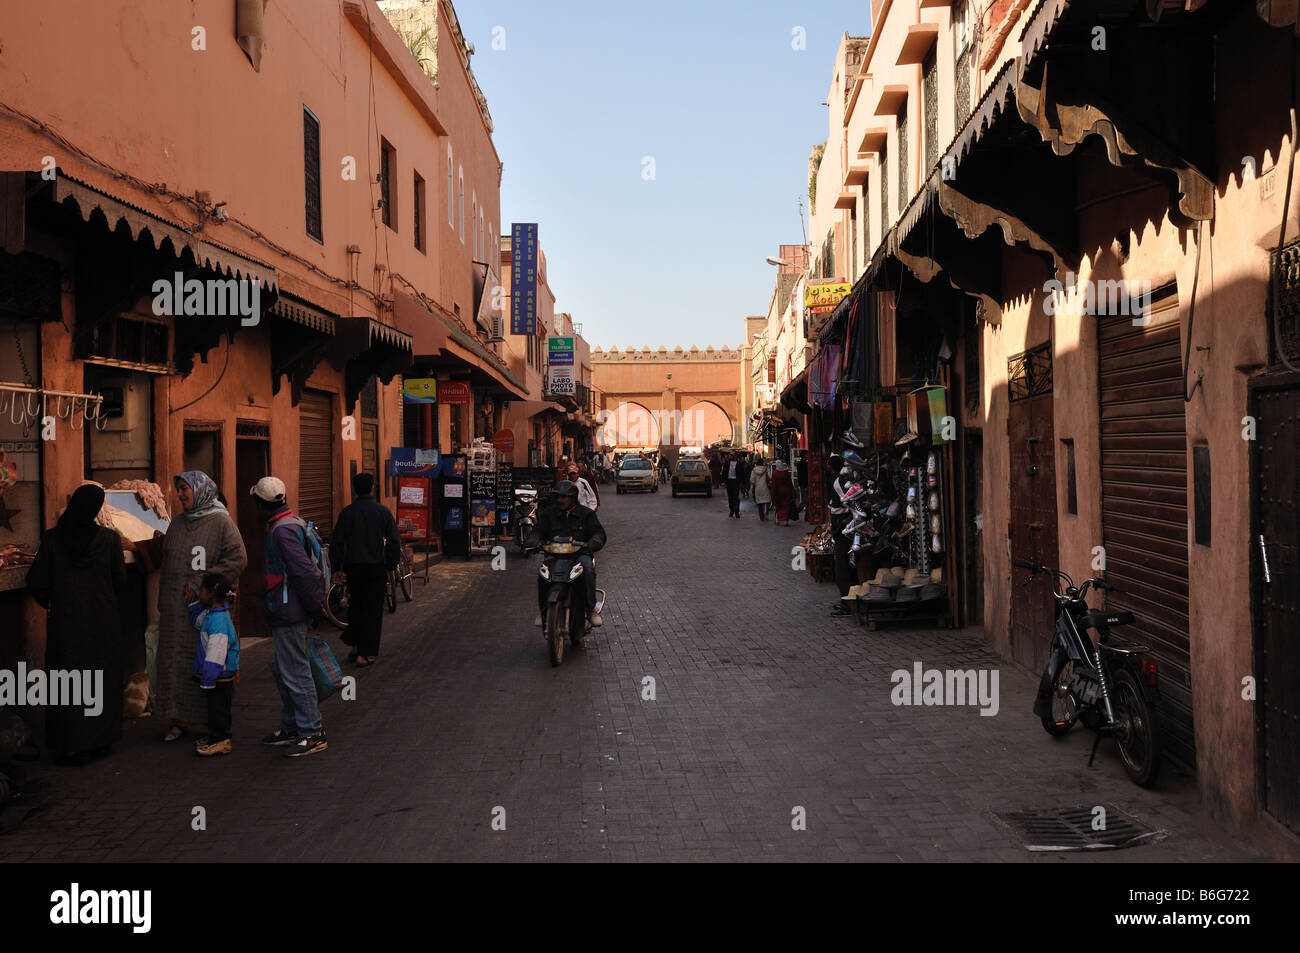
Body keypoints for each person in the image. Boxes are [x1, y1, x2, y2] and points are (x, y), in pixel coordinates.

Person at [25, 484, 126, 764]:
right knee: (101, 678)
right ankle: (98, 740)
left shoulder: (53, 540)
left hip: (66, 626)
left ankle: (70, 744)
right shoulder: (108, 540)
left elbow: (36, 582)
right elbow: (121, 582)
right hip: (102, 623)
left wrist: (53, 603)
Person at [156, 471, 247, 744]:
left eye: (186, 489)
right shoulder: (178, 523)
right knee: (176, 666)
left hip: (205, 612)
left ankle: (213, 723)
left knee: (207, 663)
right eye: (179, 489)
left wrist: (204, 584)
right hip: (175, 611)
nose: (181, 494)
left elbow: (238, 559)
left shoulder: (221, 522)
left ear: (202, 490)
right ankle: (178, 719)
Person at [250, 477, 328, 758]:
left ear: (261, 504)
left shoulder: (282, 531)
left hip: (289, 609)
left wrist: (316, 606)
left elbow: (303, 572)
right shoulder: (290, 522)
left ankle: (312, 732)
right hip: (287, 607)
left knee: (296, 673)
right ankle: (293, 726)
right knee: (287, 672)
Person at [329, 472, 401, 667]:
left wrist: (336, 568)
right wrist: (390, 564)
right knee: (372, 610)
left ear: (355, 489)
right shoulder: (382, 512)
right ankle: (365, 653)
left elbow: (337, 543)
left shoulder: (347, 513)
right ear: (372, 488)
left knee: (356, 607)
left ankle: (354, 645)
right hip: (375, 568)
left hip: (353, 569)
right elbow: (394, 541)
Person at [527, 480, 607, 629]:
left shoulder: (586, 514)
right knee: (543, 575)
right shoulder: (548, 514)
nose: (561, 500)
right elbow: (538, 530)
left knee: (588, 569)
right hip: (554, 555)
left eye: (565, 497)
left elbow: (598, 532)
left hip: (579, 554)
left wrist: (593, 543)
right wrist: (533, 540)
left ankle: (590, 610)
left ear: (573, 497)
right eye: (558, 497)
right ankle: (544, 610)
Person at [192, 573, 240, 756]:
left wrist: (208, 678)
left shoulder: (218, 620)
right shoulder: (214, 614)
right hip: (219, 675)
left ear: (211, 594)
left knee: (219, 709)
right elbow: (197, 621)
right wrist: (193, 604)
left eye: (202, 590)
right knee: (216, 708)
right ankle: (215, 737)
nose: (199, 593)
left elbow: (216, 653)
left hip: (220, 674)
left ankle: (221, 740)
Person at [771, 459, 796, 526]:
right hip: (786, 491)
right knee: (786, 506)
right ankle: (785, 521)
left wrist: (773, 493)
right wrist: (793, 492)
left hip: (778, 492)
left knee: (779, 506)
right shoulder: (786, 473)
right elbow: (790, 483)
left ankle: (778, 519)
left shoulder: (775, 473)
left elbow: (774, 484)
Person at [723, 452, 743, 518]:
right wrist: (724, 481)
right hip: (729, 482)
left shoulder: (739, 463)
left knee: (736, 497)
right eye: (730, 455)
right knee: (730, 497)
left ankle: (736, 511)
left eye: (732, 455)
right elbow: (724, 472)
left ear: (735, 456)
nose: (730, 456)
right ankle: (731, 510)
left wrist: (741, 482)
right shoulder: (727, 463)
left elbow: (741, 473)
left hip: (736, 482)